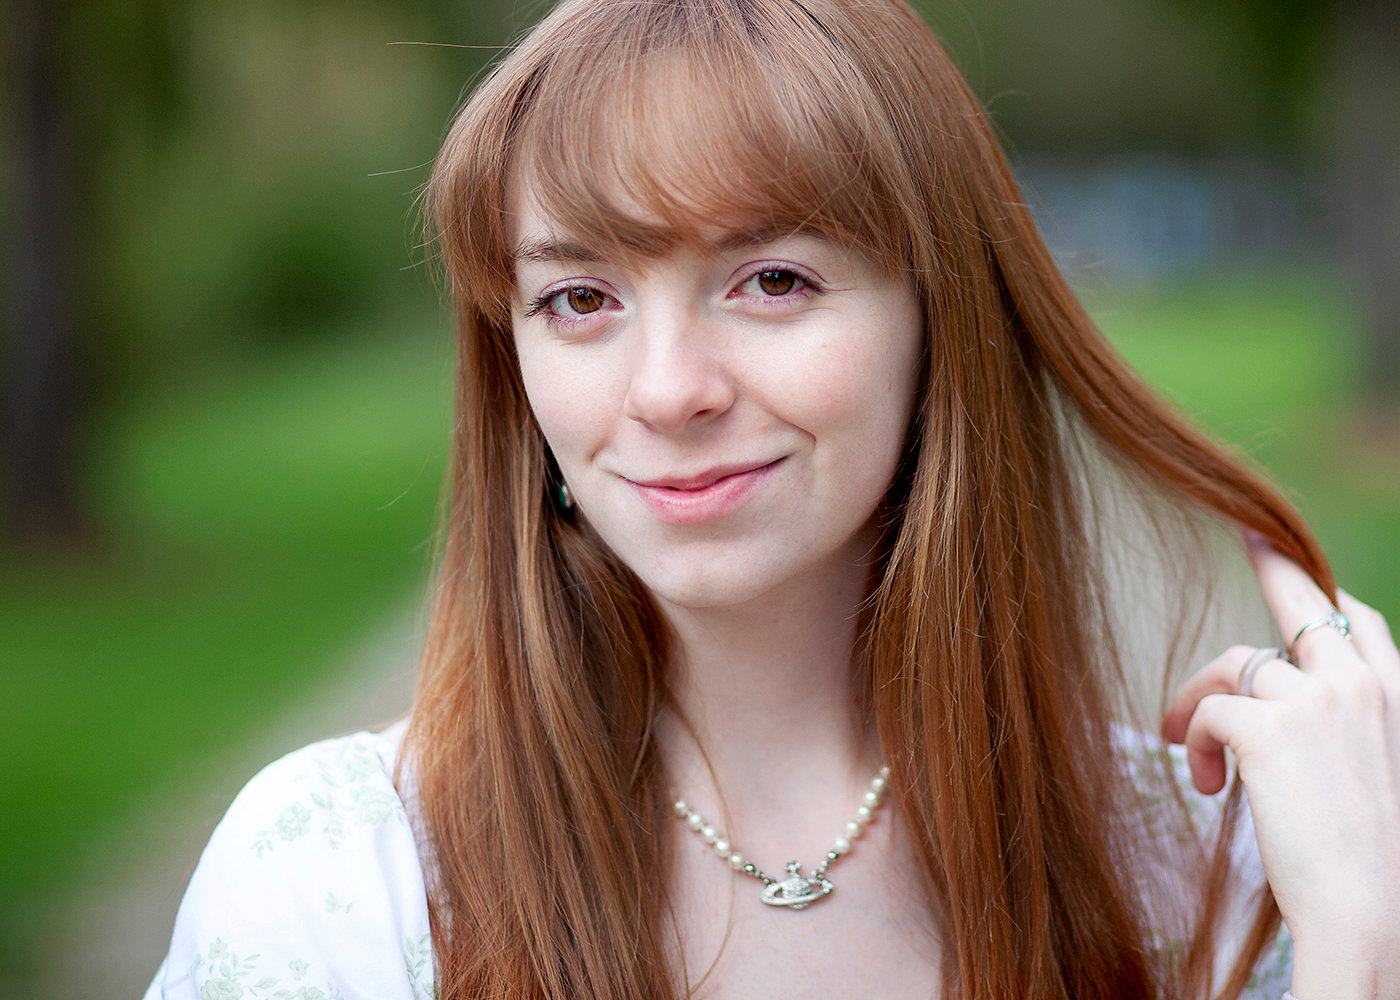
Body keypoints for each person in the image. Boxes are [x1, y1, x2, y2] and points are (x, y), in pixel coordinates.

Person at [143, 1, 1400, 998]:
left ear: (940, 323)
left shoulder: (1204, 864)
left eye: (773, 280)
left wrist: (1358, 943)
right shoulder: (338, 887)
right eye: (578, 299)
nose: (668, 390)